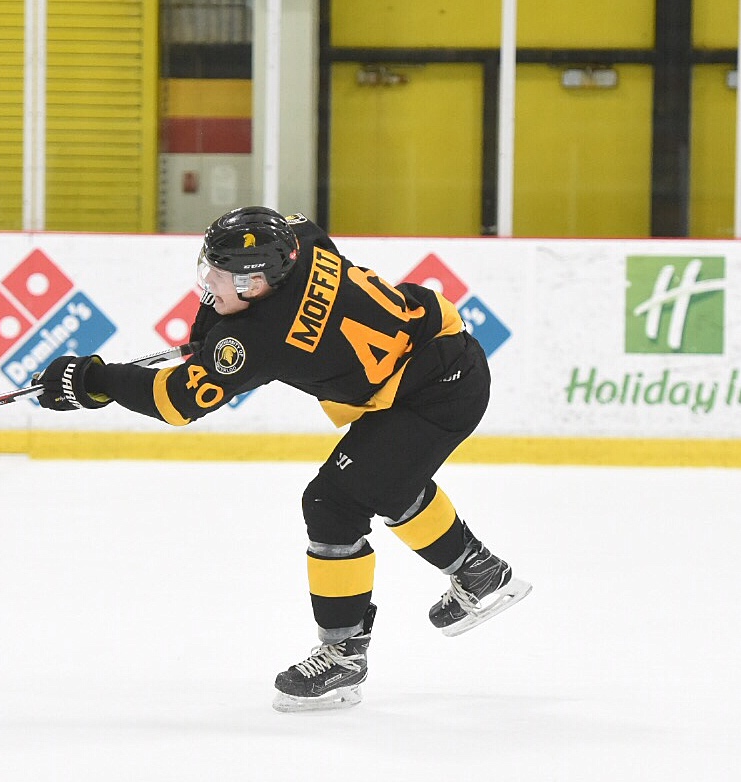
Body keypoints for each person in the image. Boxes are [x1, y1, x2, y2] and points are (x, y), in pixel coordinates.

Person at [34, 206, 531, 713]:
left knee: (333, 503)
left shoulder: (259, 339)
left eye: (220, 275)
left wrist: (93, 382)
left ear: (255, 282)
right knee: (383, 480)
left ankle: (343, 655)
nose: (207, 280)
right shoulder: (300, 240)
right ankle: (479, 572)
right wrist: (213, 340)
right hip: (436, 358)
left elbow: (176, 402)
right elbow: (250, 306)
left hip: (438, 390)